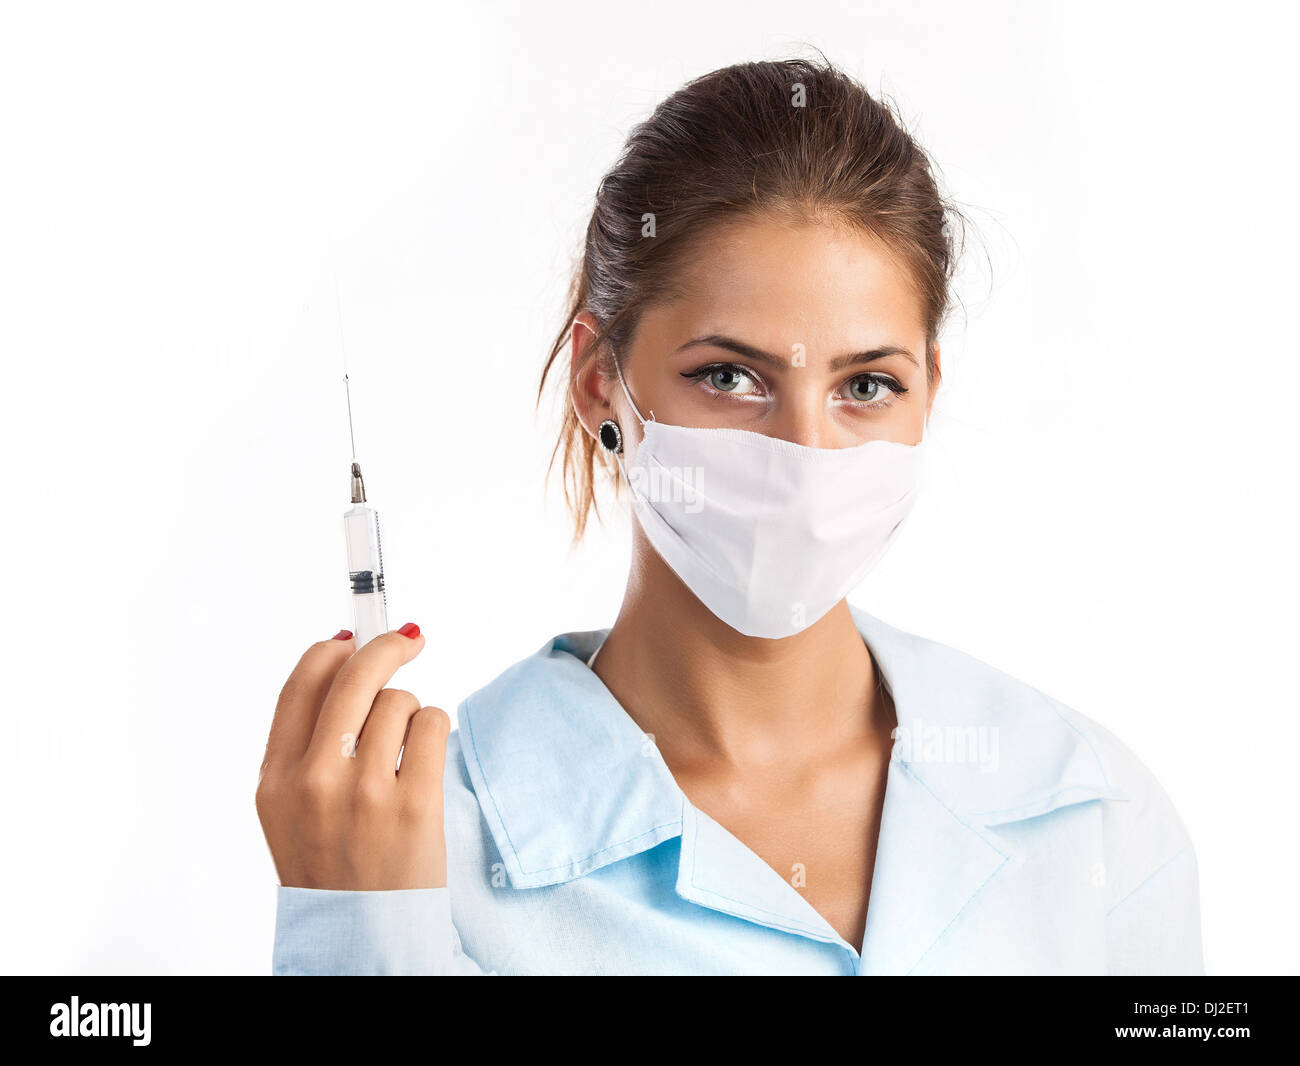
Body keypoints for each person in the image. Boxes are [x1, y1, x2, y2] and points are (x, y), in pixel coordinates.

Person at [256, 56, 1204, 975]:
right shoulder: (423, 852)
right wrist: (362, 943)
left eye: (866, 384)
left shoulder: (1086, 812)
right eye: (729, 377)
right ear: (601, 386)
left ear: (930, 390)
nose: (805, 453)